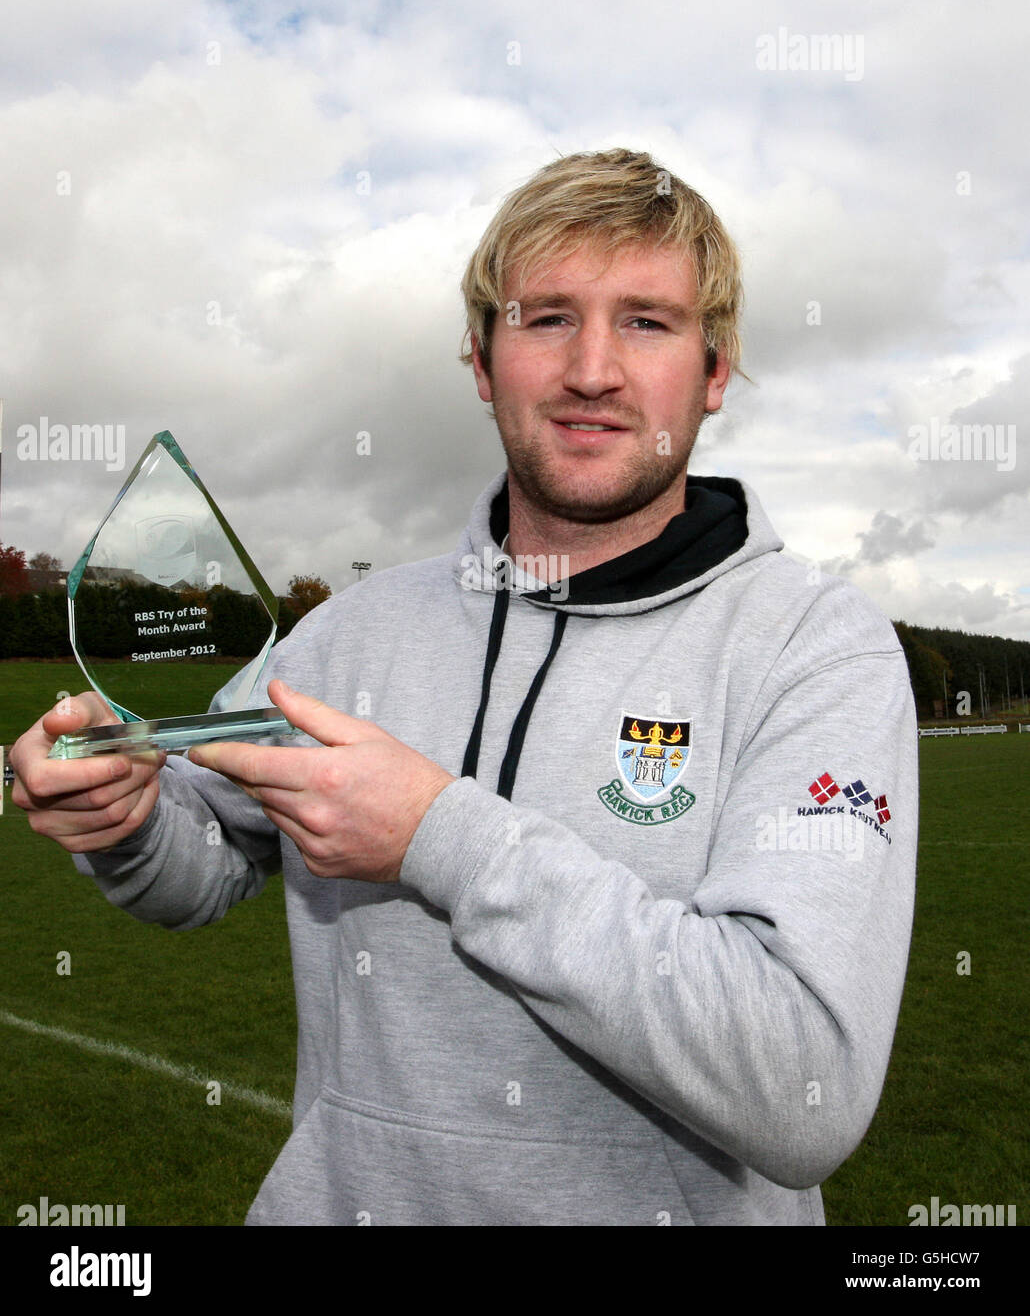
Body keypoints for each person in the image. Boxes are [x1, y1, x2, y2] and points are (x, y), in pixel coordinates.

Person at [11, 148, 917, 1226]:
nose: (592, 369)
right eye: (544, 319)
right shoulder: (345, 633)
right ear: (482, 362)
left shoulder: (814, 648)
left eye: (646, 321)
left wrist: (438, 834)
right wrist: (122, 817)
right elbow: (199, 863)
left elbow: (801, 1084)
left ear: (714, 371)